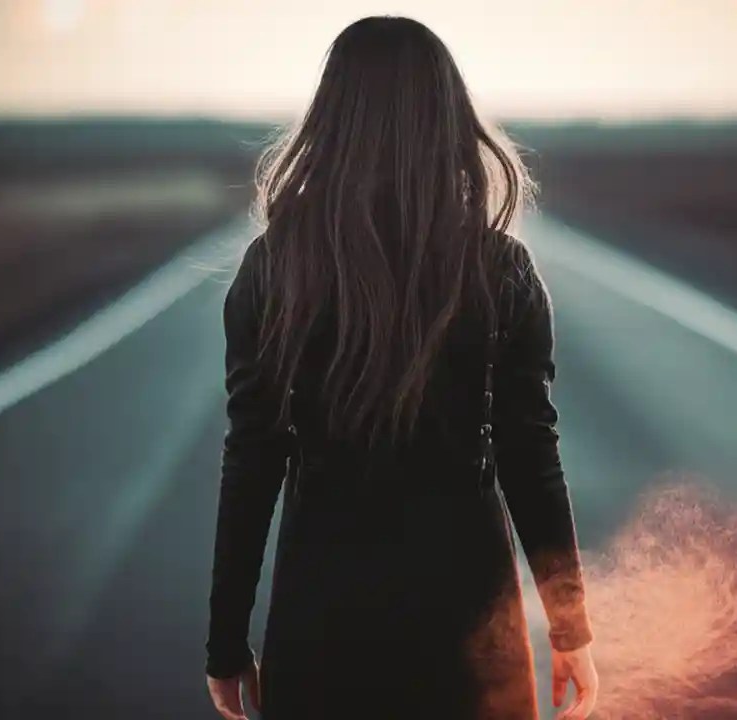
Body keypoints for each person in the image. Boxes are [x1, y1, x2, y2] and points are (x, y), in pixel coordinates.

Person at [204, 15, 598, 720]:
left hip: (322, 626)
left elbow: (252, 460)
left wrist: (226, 646)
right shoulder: (499, 270)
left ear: (330, 122)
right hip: (470, 630)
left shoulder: (276, 268)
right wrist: (571, 633)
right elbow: (531, 454)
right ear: (446, 122)